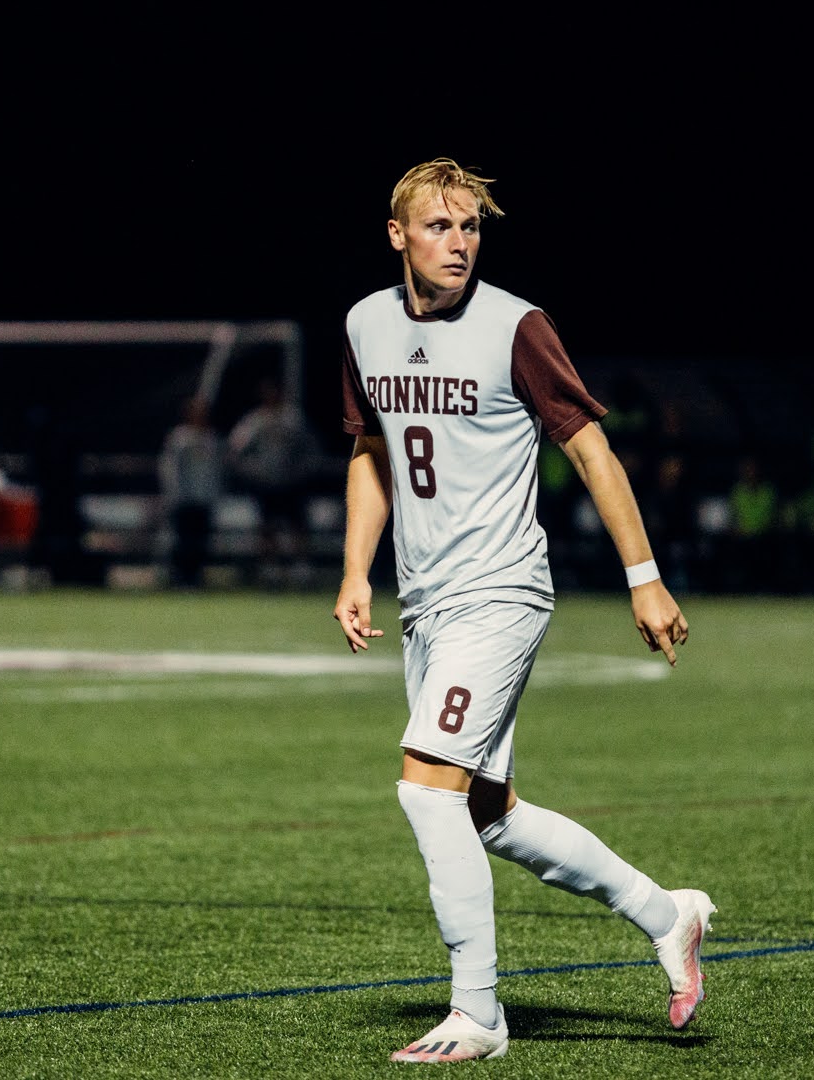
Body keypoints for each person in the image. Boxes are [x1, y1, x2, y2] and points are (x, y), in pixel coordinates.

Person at [333, 158, 711, 1064]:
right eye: (438, 227)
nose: (458, 244)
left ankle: (479, 1012)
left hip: (501, 591)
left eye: (470, 228)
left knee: (426, 785)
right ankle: (671, 917)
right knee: (485, 810)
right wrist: (355, 572)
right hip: (426, 602)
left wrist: (644, 576)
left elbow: (592, 453)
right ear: (398, 235)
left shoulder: (517, 326)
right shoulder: (364, 325)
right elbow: (370, 454)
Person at [226, 375, 317, 581]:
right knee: (268, 527)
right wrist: (253, 471)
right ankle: (270, 567)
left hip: (292, 483)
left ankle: (301, 567)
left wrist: (302, 471)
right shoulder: (254, 422)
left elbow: (311, 449)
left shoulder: (292, 419)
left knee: (297, 526)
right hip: (266, 484)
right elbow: (235, 451)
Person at [158, 394, 225, 588]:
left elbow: (220, 469)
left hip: (205, 498)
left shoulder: (212, 439)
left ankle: (196, 577)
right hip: (183, 498)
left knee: (202, 540)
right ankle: (179, 578)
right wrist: (172, 493)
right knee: (182, 540)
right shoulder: (179, 438)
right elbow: (168, 467)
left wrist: (216, 493)